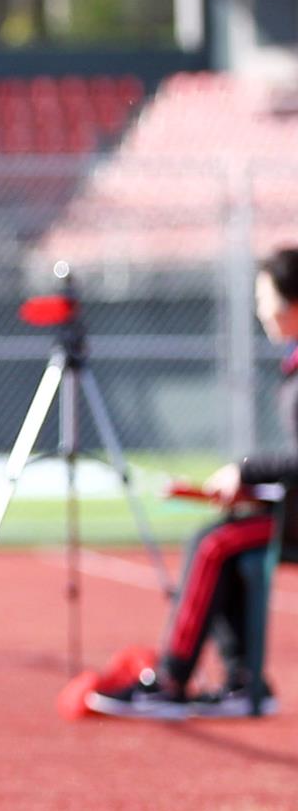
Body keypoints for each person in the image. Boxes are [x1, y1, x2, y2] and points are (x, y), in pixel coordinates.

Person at [89, 247, 298, 719]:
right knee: (225, 537)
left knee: (212, 544)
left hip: (295, 517)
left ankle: (170, 678)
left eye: (265, 296)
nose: (261, 308)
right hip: (288, 508)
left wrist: (248, 471)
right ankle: (244, 682)